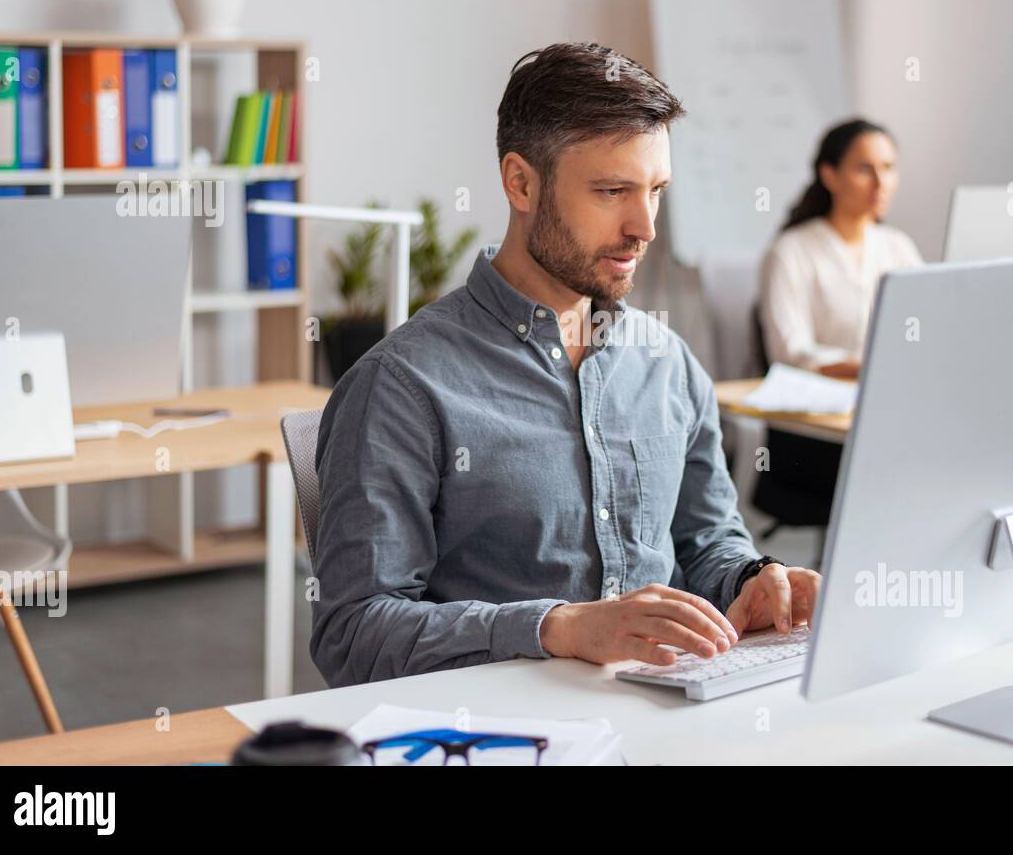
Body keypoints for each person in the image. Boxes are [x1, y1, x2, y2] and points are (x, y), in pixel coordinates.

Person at [310, 42, 821, 686]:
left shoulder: (668, 363)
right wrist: (558, 629)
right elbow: (352, 633)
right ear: (521, 183)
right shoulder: (403, 384)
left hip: (667, 719)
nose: (645, 227)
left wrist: (753, 580)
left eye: (655, 190)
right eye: (613, 191)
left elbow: (707, 540)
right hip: (501, 734)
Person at [759, 119, 923, 379]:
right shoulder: (789, 252)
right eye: (864, 169)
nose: (881, 182)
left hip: (892, 389)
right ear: (830, 176)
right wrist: (866, 368)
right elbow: (790, 352)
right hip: (820, 404)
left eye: (889, 168)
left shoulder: (897, 246)